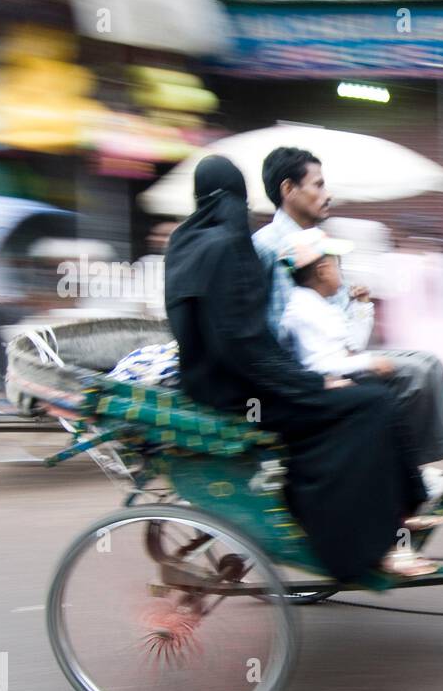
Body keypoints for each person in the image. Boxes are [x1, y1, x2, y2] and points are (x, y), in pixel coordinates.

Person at [164, 155, 428, 581]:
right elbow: (245, 345)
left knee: (365, 397)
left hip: (217, 386)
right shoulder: (230, 249)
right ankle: (366, 539)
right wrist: (309, 382)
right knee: (370, 405)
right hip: (246, 393)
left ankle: (398, 512)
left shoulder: (185, 245)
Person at [276, 226, 443, 474]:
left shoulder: (319, 304)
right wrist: (368, 362)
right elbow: (320, 366)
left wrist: (362, 307)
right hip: (336, 379)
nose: (342, 271)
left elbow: (353, 344)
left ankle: (417, 459)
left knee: (431, 362)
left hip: (350, 365)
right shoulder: (303, 310)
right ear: (322, 271)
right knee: (419, 374)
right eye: (338, 265)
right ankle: (409, 462)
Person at [374, 217, 443, 450]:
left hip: (429, 337)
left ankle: (441, 435)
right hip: (440, 338)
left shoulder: (407, 265)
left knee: (433, 388)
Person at [252, 146, 330, 339]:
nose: (328, 195)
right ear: (288, 189)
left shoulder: (321, 242)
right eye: (318, 185)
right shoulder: (265, 244)